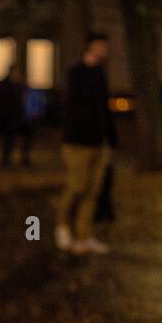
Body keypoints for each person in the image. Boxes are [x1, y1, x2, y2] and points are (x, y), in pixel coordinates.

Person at [55, 34, 117, 255]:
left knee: (93, 190)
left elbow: (103, 110)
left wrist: (109, 139)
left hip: (97, 142)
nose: (105, 51)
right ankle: (62, 227)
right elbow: (73, 108)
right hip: (78, 142)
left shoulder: (100, 74)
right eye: (102, 46)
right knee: (77, 186)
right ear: (91, 47)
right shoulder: (76, 74)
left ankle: (84, 235)